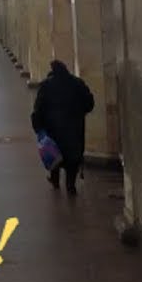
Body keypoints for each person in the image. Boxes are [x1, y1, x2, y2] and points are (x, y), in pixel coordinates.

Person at [30, 60, 95, 196]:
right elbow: (89, 103)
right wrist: (79, 113)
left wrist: (38, 127)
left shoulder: (46, 86)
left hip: (53, 128)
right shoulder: (77, 83)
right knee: (73, 156)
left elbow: (38, 109)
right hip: (74, 128)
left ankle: (55, 180)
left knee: (54, 154)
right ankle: (70, 185)